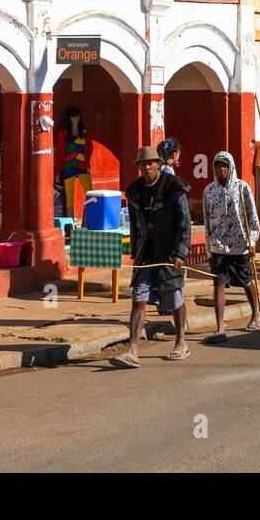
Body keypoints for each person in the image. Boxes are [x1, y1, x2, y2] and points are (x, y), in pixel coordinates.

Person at [112, 146, 191, 368]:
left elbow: (184, 222)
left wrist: (181, 252)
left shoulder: (174, 187)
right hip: (146, 252)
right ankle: (133, 350)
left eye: (151, 163)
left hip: (168, 252)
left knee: (175, 298)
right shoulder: (135, 190)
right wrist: (135, 250)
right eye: (143, 164)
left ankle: (181, 342)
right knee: (138, 298)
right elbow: (136, 225)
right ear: (138, 167)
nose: (147, 167)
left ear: (158, 164)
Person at [201, 151, 260, 344]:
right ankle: (220, 328)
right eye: (218, 165)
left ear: (231, 166)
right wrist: (208, 247)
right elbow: (207, 220)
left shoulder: (242, 188)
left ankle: (256, 313)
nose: (222, 169)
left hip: (240, 245)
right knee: (218, 284)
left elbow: (253, 218)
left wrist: (252, 241)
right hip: (218, 245)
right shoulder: (209, 191)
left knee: (245, 281)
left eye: (225, 165)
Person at [60, 106, 92, 218]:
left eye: (77, 116)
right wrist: (58, 171)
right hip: (68, 165)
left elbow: (90, 149)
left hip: (82, 164)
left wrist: (87, 164)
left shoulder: (84, 131)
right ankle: (71, 224)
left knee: (90, 193)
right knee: (69, 196)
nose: (75, 118)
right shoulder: (63, 133)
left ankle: (87, 219)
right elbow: (60, 152)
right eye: (73, 116)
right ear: (69, 118)